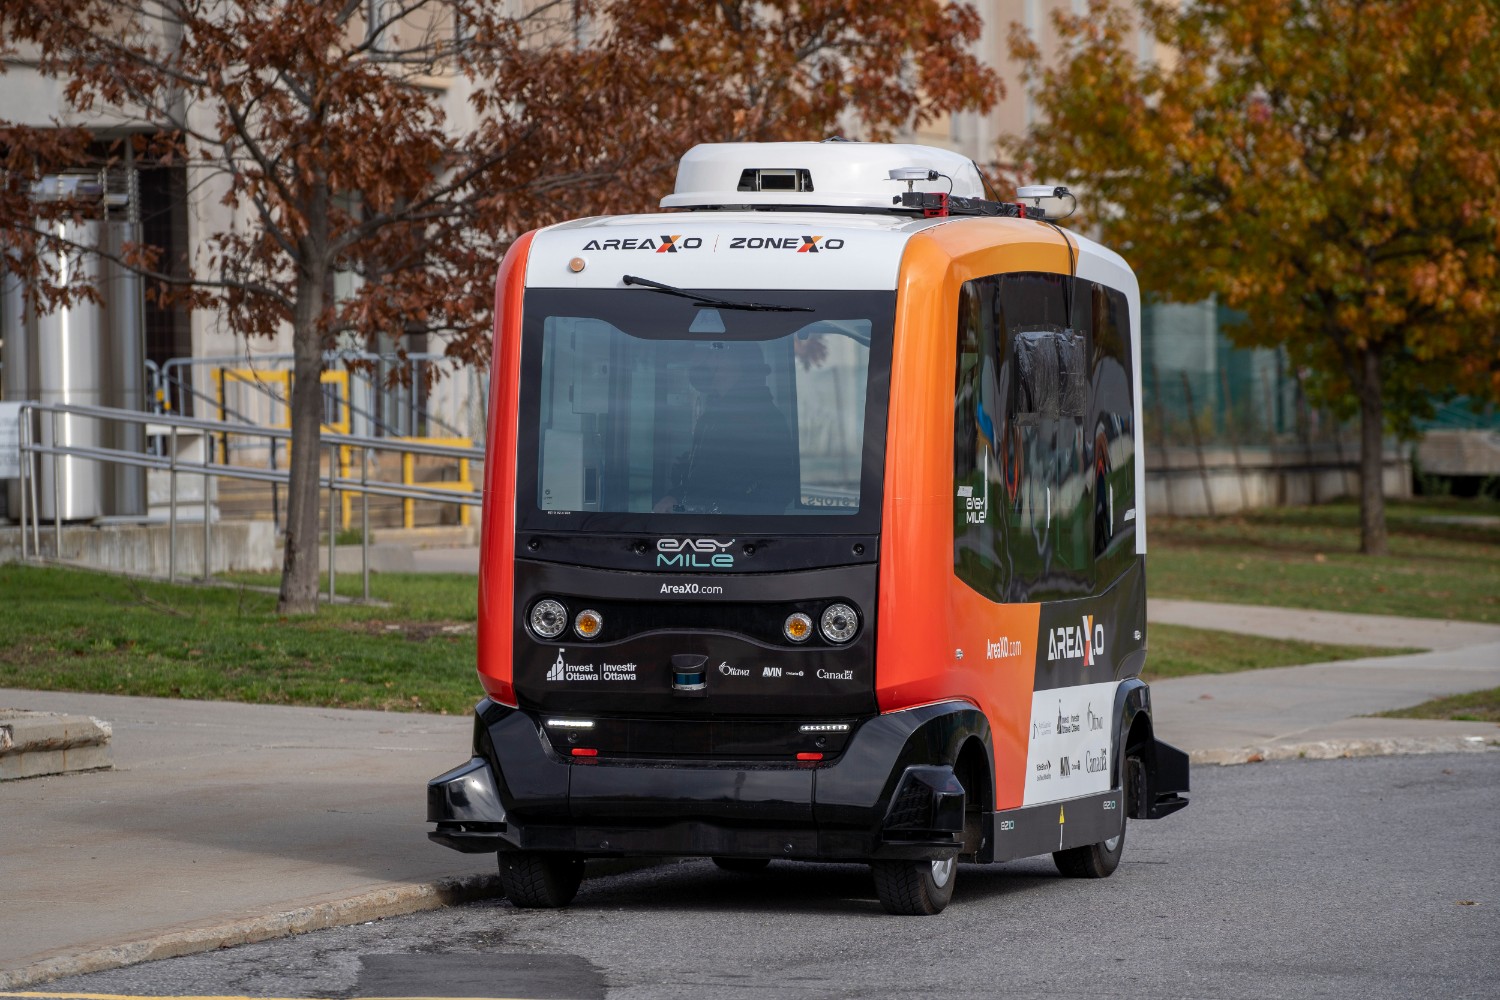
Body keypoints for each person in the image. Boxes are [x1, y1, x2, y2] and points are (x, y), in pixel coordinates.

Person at [655, 340, 797, 514]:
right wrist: (675, 497)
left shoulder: (763, 418)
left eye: (716, 355)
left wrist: (723, 514)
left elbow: (778, 491)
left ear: (740, 364)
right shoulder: (710, 418)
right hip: (705, 529)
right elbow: (704, 483)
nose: (706, 362)